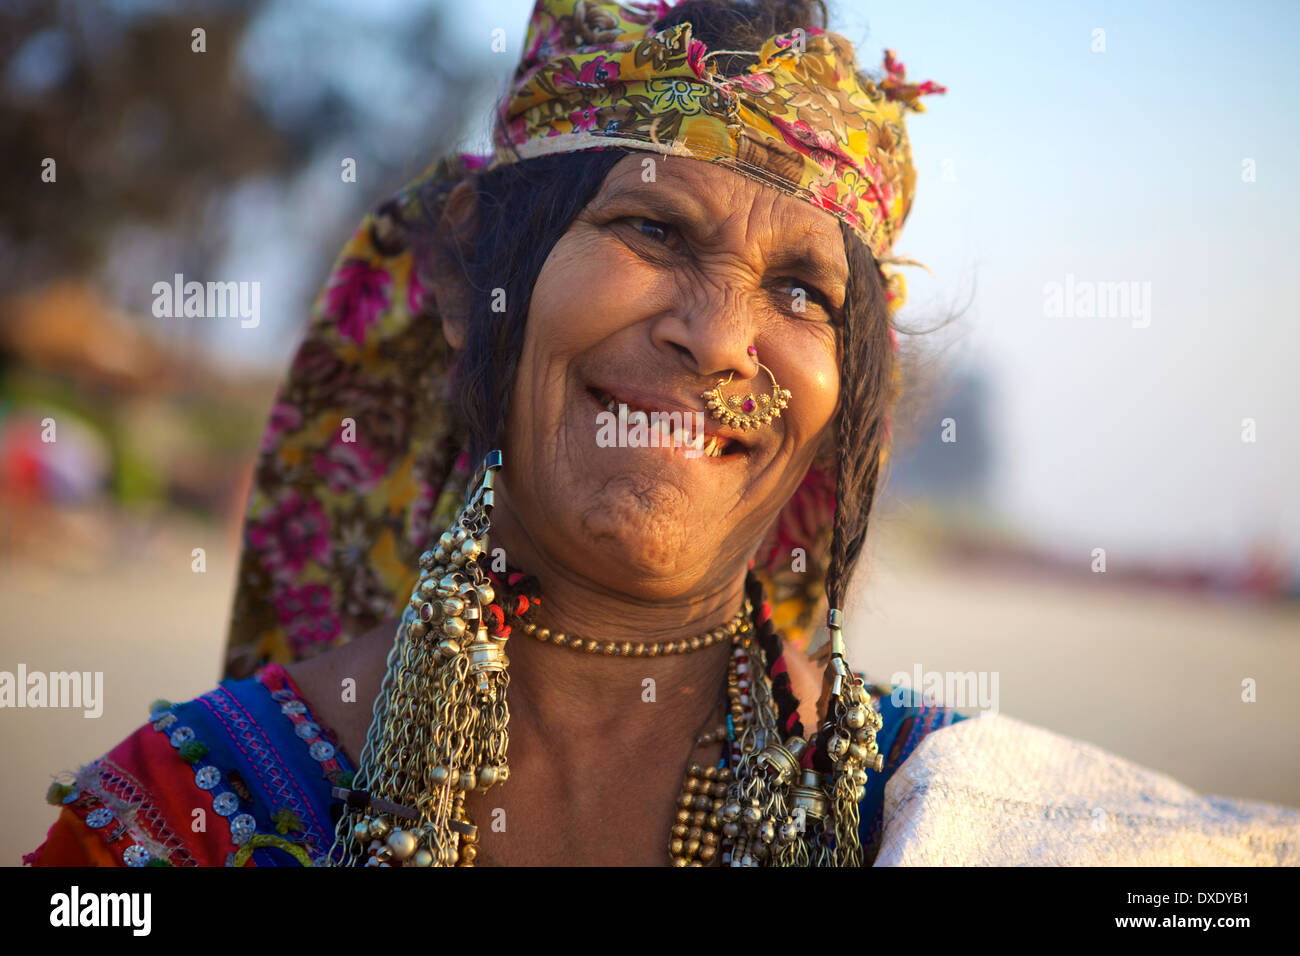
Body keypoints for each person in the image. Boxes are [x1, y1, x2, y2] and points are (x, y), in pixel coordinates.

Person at [29, 0, 1297, 869]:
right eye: (650, 229)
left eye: (803, 291)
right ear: (480, 286)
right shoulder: (188, 815)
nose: (722, 337)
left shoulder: (951, 814)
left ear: (843, 398)